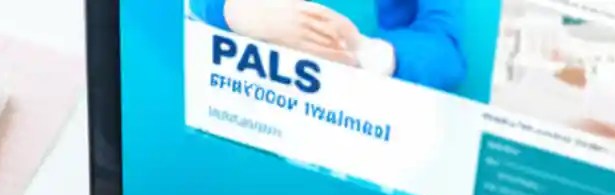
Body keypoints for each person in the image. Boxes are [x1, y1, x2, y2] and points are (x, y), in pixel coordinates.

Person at [189, 0, 467, 92]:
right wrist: (233, 10)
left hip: (358, 122)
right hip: (243, 99)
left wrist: (367, 52)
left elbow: (446, 52)